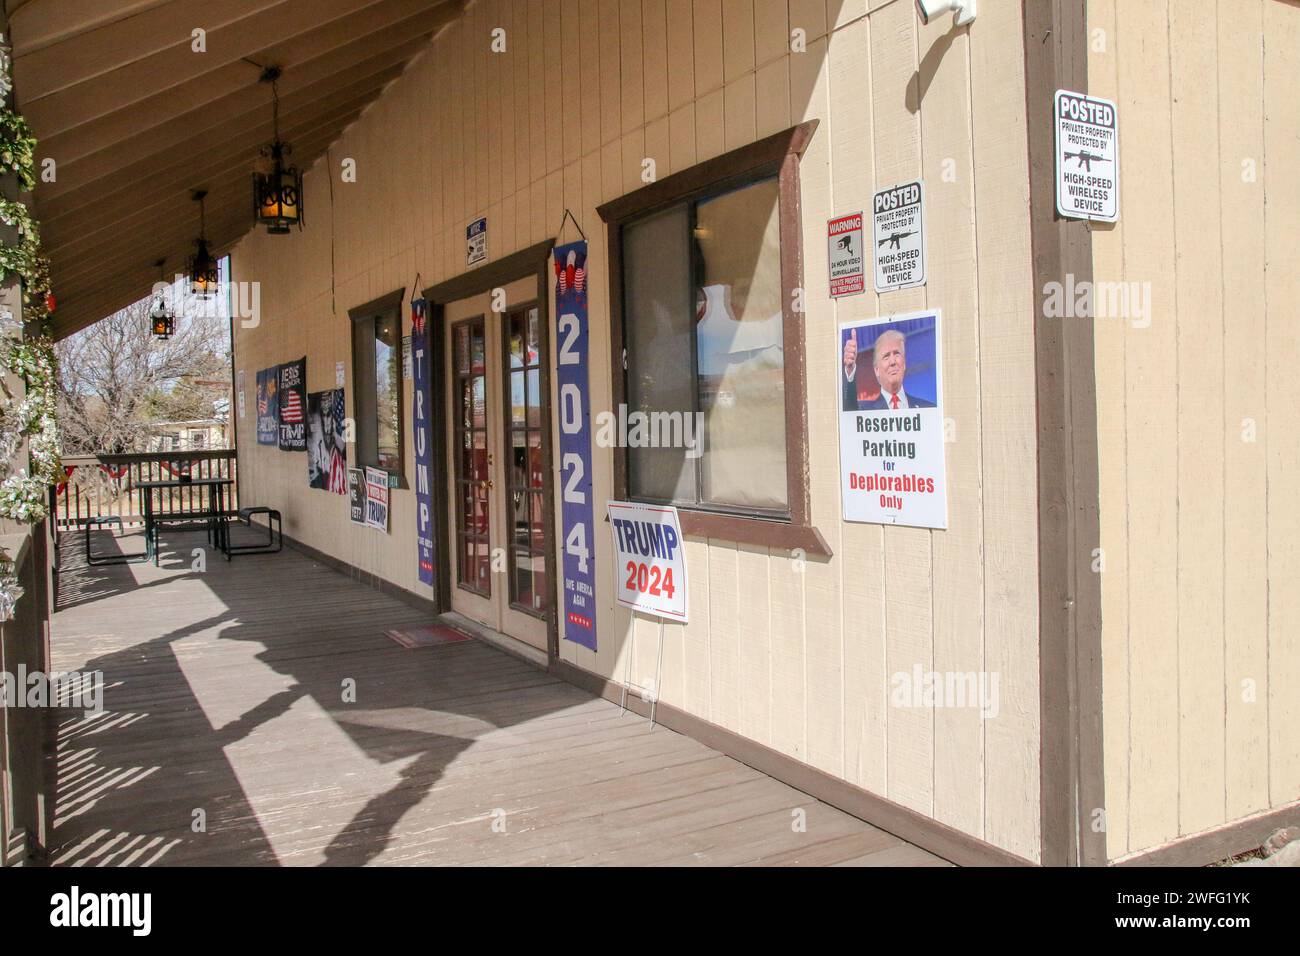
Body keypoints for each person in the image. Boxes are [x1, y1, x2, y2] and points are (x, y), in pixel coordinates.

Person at [842, 328, 935, 410]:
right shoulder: (864, 410)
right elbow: (849, 411)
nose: (893, 362)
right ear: (877, 370)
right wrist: (850, 370)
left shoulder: (928, 408)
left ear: (904, 364)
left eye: (897, 354)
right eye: (886, 356)